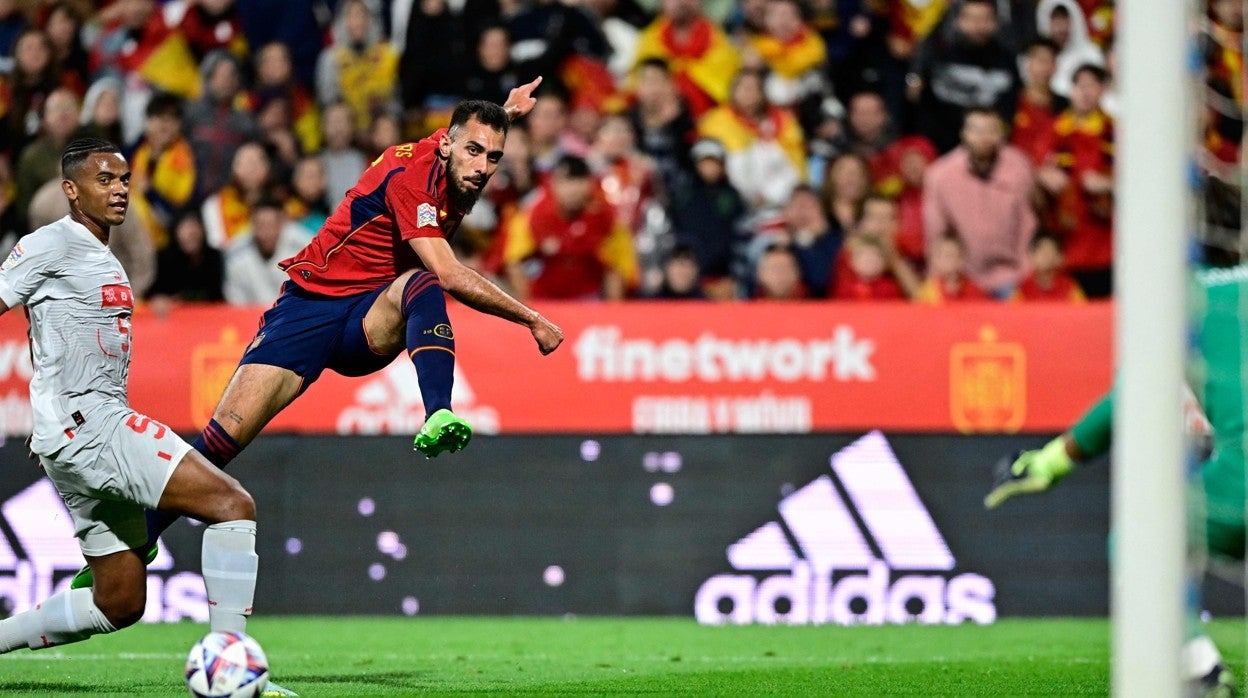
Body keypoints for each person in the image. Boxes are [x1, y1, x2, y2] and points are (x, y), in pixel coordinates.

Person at [71, 79, 564, 593]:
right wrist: (531, 317)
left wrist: (505, 110)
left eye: (493, 157)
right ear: (445, 144)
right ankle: (137, 541)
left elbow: (472, 134)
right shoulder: (415, 178)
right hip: (307, 308)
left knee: (417, 284)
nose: (483, 167)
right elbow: (453, 272)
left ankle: (438, 409)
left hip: (367, 318)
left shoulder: (455, 154)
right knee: (219, 443)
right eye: (474, 152)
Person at [0, 137, 281, 693]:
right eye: (105, 180)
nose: (120, 189)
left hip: (72, 435)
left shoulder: (104, 253)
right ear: (71, 191)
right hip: (92, 426)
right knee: (232, 505)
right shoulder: (51, 243)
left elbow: (54, 331)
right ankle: (232, 666)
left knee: (120, 601)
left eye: (125, 179)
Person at [983, 259, 1248, 695]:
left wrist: (1050, 462)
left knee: (1138, 540)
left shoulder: (1184, 301)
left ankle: (1200, 672)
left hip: (1238, 491)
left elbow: (1132, 394)